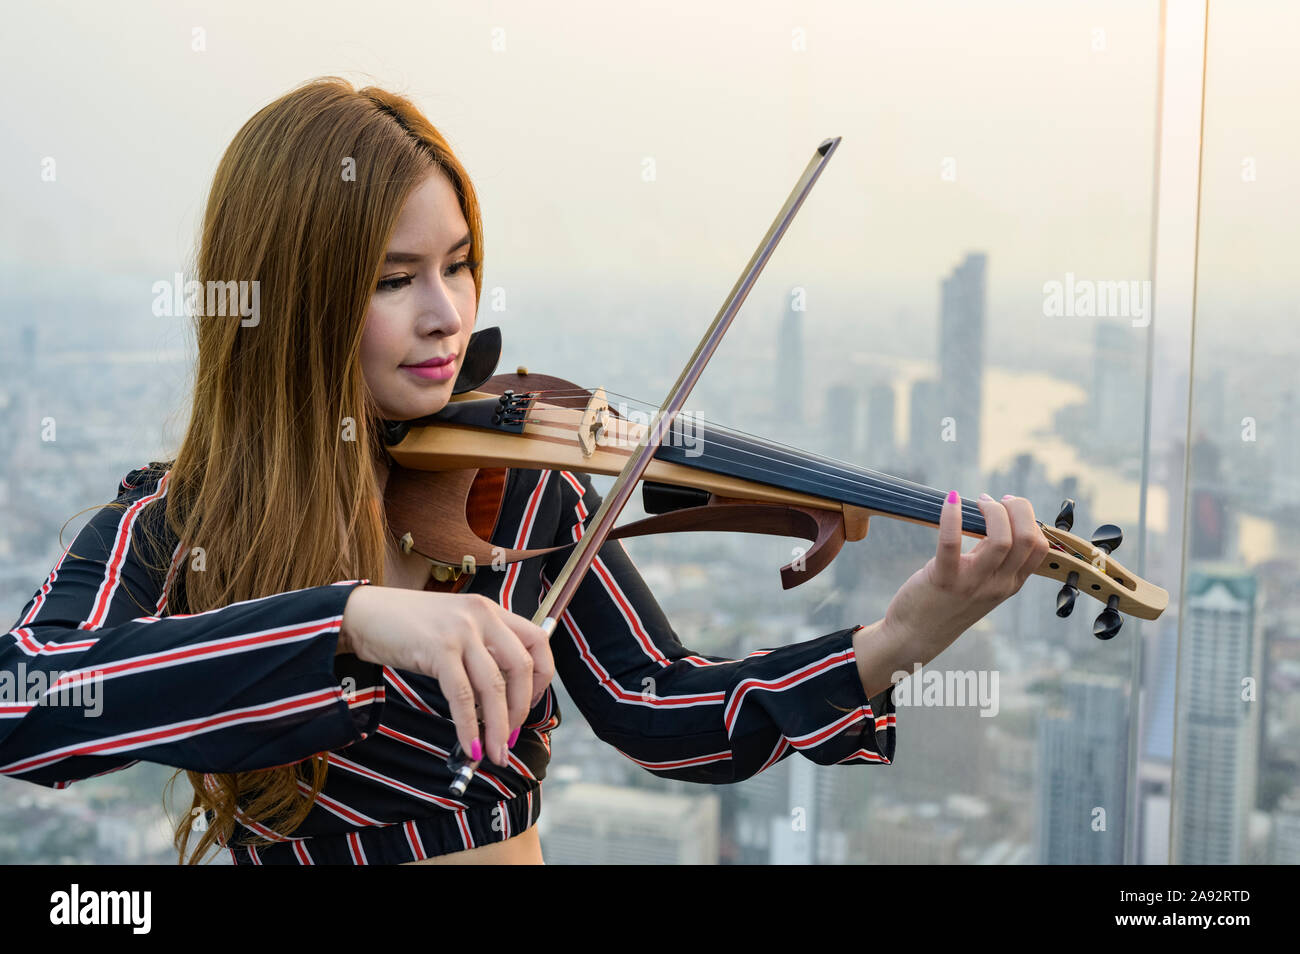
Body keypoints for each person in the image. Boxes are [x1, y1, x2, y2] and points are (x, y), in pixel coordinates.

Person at [0, 76, 1048, 865]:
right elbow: (27, 703)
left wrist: (903, 638)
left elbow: (658, 708)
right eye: (394, 279)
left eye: (458, 264)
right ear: (293, 298)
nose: (448, 312)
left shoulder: (519, 490)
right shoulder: (174, 523)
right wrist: (352, 619)